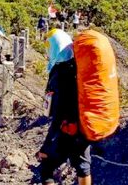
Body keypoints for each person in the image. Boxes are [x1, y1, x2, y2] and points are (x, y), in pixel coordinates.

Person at [37, 30, 92, 185]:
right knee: (83, 168)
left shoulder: (60, 73)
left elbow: (59, 112)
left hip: (66, 128)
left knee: (47, 168)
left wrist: (47, 145)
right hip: (84, 125)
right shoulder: (78, 66)